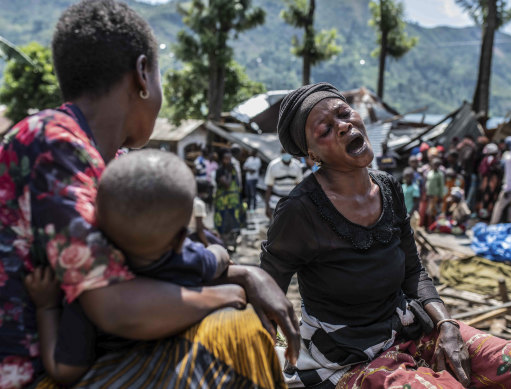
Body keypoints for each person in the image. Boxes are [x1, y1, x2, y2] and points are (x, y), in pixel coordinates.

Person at [0, 1, 299, 387]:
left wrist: (244, 272)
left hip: (87, 352)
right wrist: (229, 291)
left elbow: (156, 264)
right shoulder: (51, 141)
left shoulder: (109, 160)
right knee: (235, 328)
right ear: (143, 74)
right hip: (40, 375)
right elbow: (114, 307)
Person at [261, 82, 511, 388]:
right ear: (312, 154)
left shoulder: (388, 187)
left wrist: (446, 324)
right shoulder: (299, 210)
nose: (344, 126)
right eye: (326, 130)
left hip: (408, 327)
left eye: (344, 113)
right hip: (346, 354)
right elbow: (267, 291)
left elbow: (413, 270)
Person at [25, 150, 234, 385]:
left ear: (95, 226)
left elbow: (65, 371)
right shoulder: (190, 260)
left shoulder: (92, 293)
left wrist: (47, 308)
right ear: (179, 239)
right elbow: (220, 257)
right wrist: (220, 253)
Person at [214, 149, 246, 248]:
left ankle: (233, 242)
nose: (228, 161)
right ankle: (223, 244)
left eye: (229, 159)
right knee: (223, 223)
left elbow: (238, 185)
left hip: (234, 202)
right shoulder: (220, 171)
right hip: (222, 204)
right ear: (222, 160)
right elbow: (227, 184)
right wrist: (228, 171)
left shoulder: (233, 170)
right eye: (226, 159)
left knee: (234, 222)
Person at [264, 150, 303, 220]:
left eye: (288, 152)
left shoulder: (297, 165)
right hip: (276, 204)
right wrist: (267, 206)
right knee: (276, 228)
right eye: (284, 152)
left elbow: (299, 186)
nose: (286, 154)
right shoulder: (273, 165)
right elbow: (269, 187)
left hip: (292, 203)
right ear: (281, 153)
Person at [476, 143, 502, 220]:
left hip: (487, 181)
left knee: (484, 199)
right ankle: (484, 217)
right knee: (487, 199)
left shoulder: (487, 159)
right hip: (490, 182)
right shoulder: (492, 159)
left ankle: (482, 216)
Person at [425, 157, 445, 225]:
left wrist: (440, 196)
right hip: (429, 194)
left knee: (433, 211)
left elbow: (441, 186)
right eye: (434, 164)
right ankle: (428, 225)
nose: (435, 166)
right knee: (429, 211)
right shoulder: (430, 172)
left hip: (435, 195)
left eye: (437, 165)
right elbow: (427, 183)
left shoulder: (440, 174)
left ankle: (432, 225)